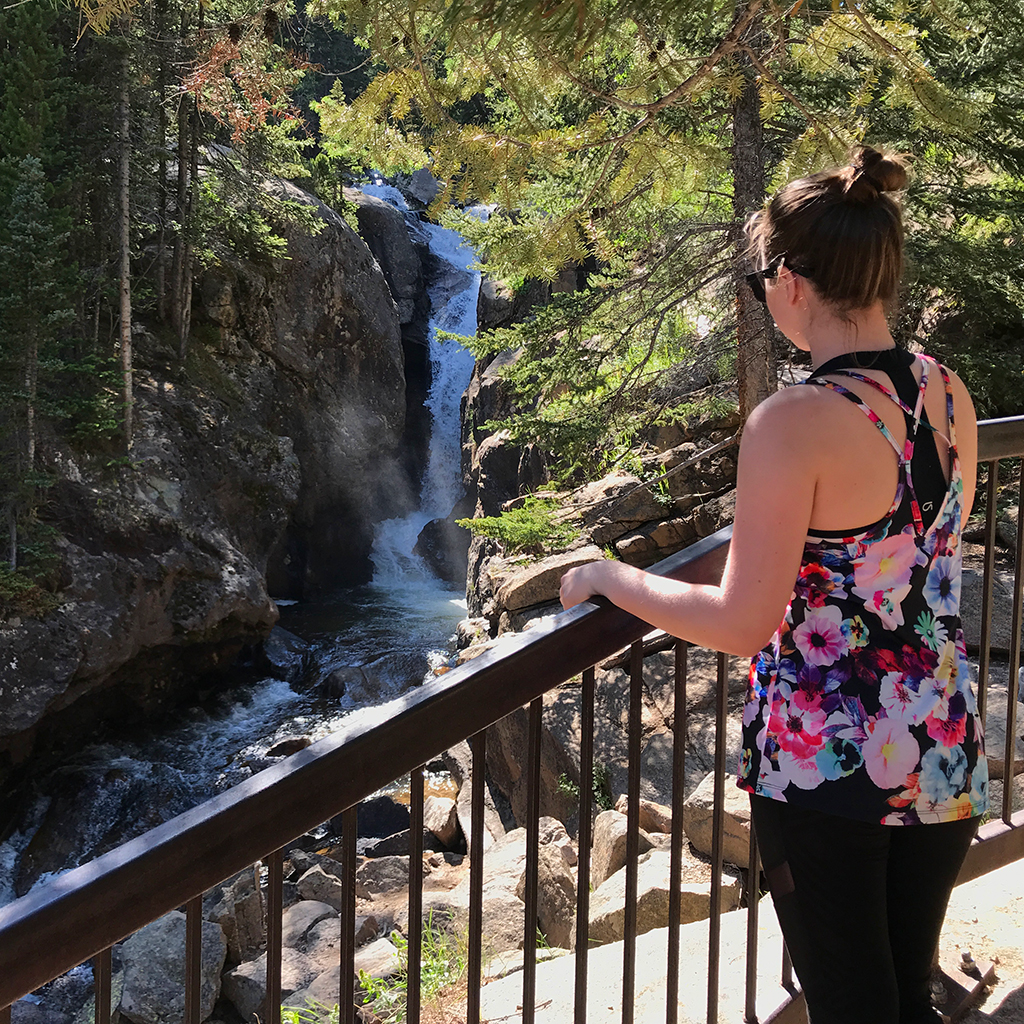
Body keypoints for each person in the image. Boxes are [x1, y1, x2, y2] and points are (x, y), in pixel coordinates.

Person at [559, 146, 987, 1024]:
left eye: (760, 281)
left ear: (790, 280)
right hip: (942, 739)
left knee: (851, 1007)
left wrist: (613, 575)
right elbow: (910, 558)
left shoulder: (795, 420)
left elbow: (744, 619)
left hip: (828, 770)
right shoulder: (947, 393)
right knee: (906, 993)